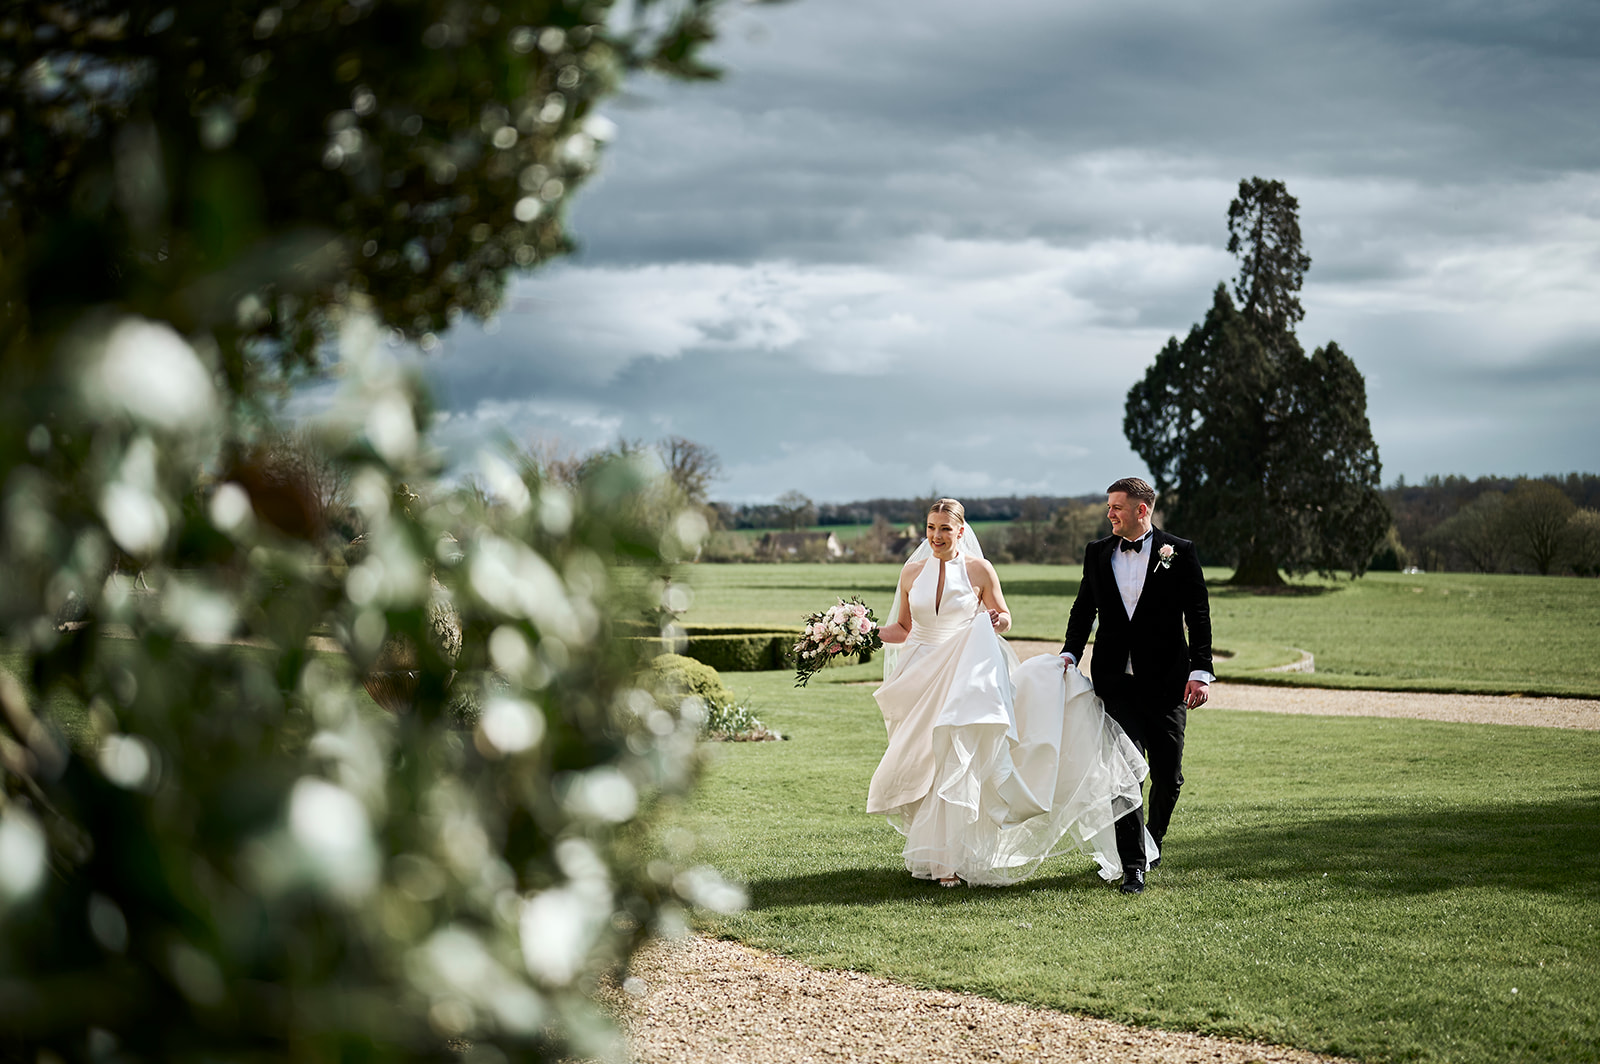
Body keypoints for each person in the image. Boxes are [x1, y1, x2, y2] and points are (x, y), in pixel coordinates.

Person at [867, 498, 1151, 887]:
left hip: (964, 673)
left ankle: (947, 862)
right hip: (921, 674)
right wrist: (860, 633)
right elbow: (901, 628)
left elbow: (1003, 616)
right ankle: (934, 850)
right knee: (925, 761)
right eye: (931, 528)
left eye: (945, 529)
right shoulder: (911, 572)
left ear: (961, 531)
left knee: (957, 756)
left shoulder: (979, 570)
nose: (936, 536)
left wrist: (997, 619)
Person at [1060, 477, 1214, 895]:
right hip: (1115, 684)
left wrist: (1200, 671)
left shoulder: (1178, 552)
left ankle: (1152, 841)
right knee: (1124, 776)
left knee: (1169, 775)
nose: (1110, 514)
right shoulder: (1097, 553)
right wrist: (1070, 653)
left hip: (1166, 683)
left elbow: (1198, 614)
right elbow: (1083, 607)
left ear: (1141, 510)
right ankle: (1132, 866)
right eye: (1109, 506)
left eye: (1117, 507)